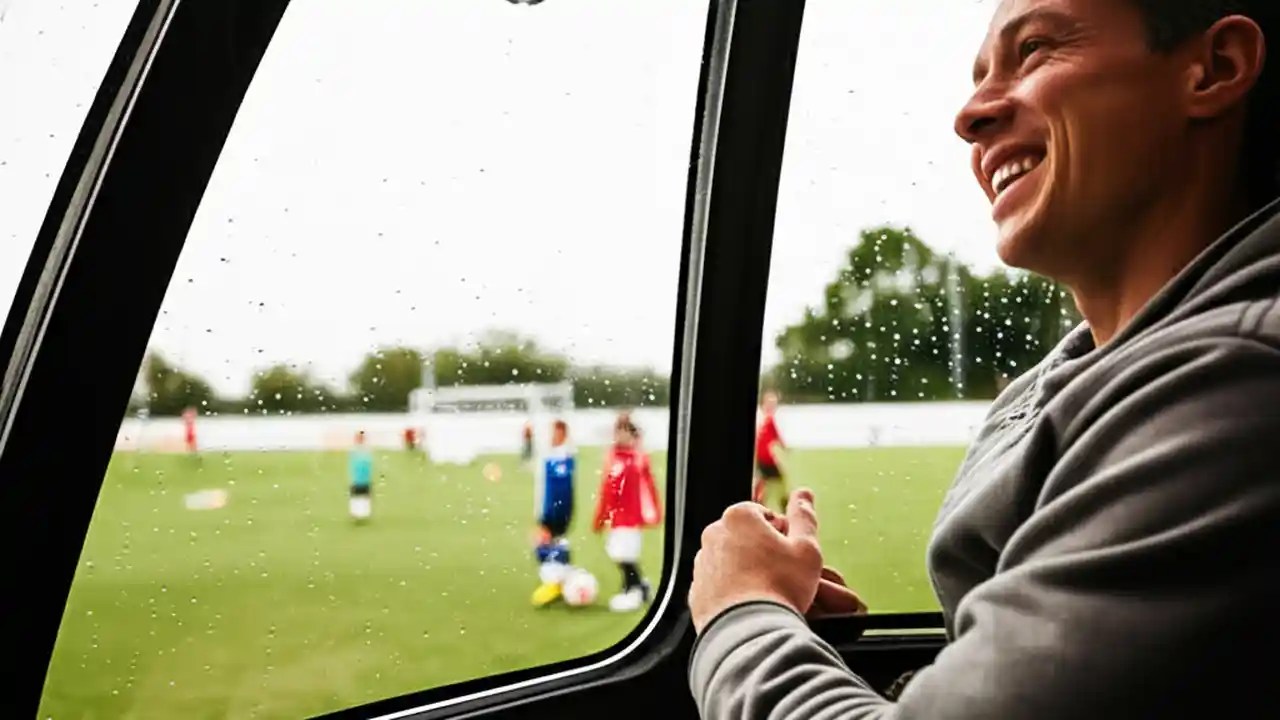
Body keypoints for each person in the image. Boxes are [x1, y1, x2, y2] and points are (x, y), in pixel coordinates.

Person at [688, 1, 1280, 717]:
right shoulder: (1081, 382)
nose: (970, 114)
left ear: (1213, 68)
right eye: (978, 75)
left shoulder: (1233, 388)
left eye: (1032, 50)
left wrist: (740, 614)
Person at [593, 412, 662, 612]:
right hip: (618, 518)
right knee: (619, 553)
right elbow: (608, 490)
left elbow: (646, 488)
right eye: (617, 431)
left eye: (623, 431)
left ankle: (634, 589)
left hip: (630, 518)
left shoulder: (636, 459)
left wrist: (652, 513)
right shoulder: (615, 457)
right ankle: (637, 586)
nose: (619, 436)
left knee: (624, 554)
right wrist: (602, 516)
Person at [531, 420, 577, 607]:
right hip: (548, 506)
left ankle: (556, 583)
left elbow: (564, 486)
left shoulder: (565, 456)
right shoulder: (549, 455)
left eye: (558, 432)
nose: (554, 436)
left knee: (550, 543)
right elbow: (542, 484)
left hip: (559, 508)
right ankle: (557, 580)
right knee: (548, 543)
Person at [752, 390, 788, 513]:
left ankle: (758, 503)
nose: (773, 406)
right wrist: (784, 447)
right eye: (771, 403)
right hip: (766, 458)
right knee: (779, 481)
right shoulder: (769, 420)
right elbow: (776, 436)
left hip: (761, 458)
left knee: (763, 482)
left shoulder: (763, 420)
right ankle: (783, 505)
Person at [348, 430, 374, 522]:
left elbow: (368, 464)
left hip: (365, 478)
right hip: (357, 478)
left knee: (365, 496)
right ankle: (355, 513)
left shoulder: (366, 450)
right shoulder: (354, 450)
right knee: (356, 496)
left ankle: (364, 513)